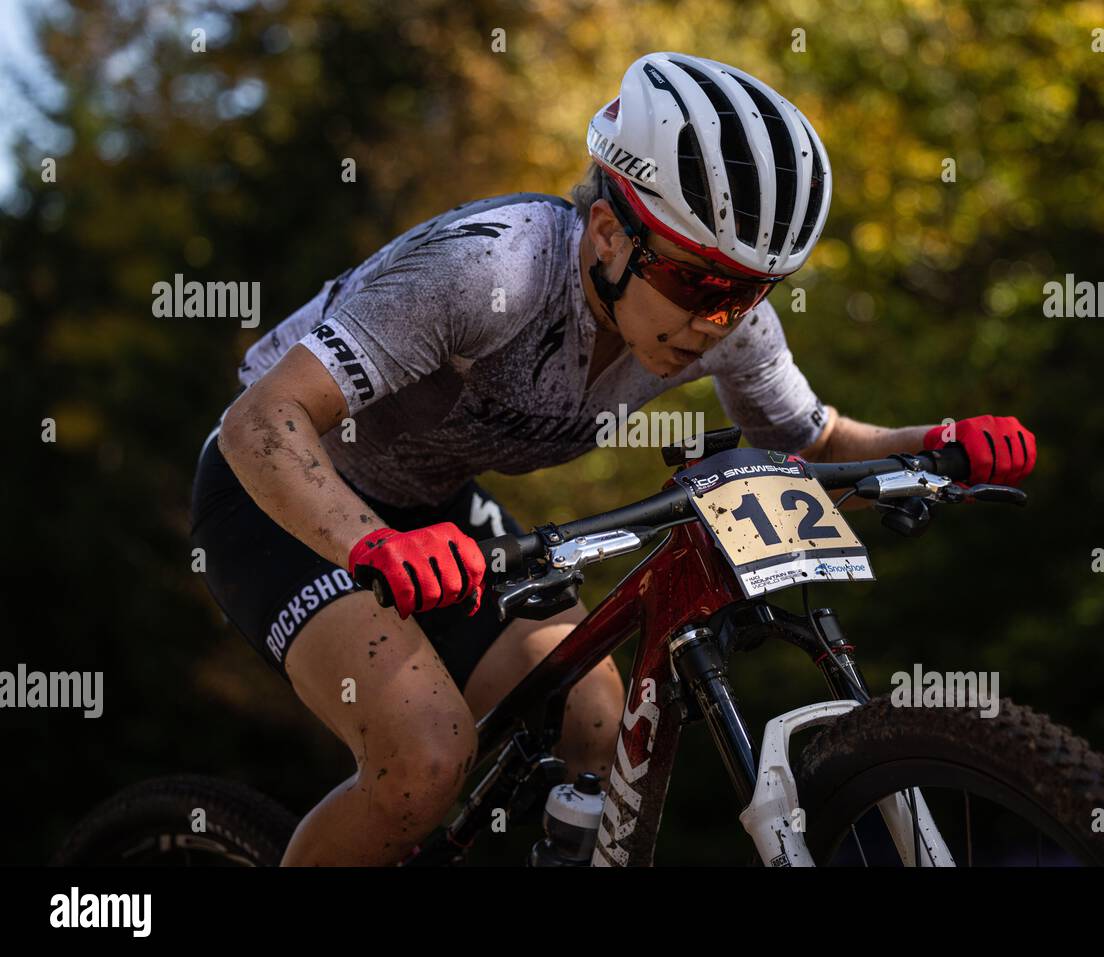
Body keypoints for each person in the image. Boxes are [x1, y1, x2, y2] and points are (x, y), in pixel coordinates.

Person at [189, 51, 1036, 866]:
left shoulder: (725, 320)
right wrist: (369, 543)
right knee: (426, 760)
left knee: (599, 725)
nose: (719, 320)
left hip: (432, 507)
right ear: (607, 232)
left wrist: (933, 444)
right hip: (285, 495)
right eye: (701, 284)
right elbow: (261, 418)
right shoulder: (492, 267)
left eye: (748, 290)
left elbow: (809, 439)